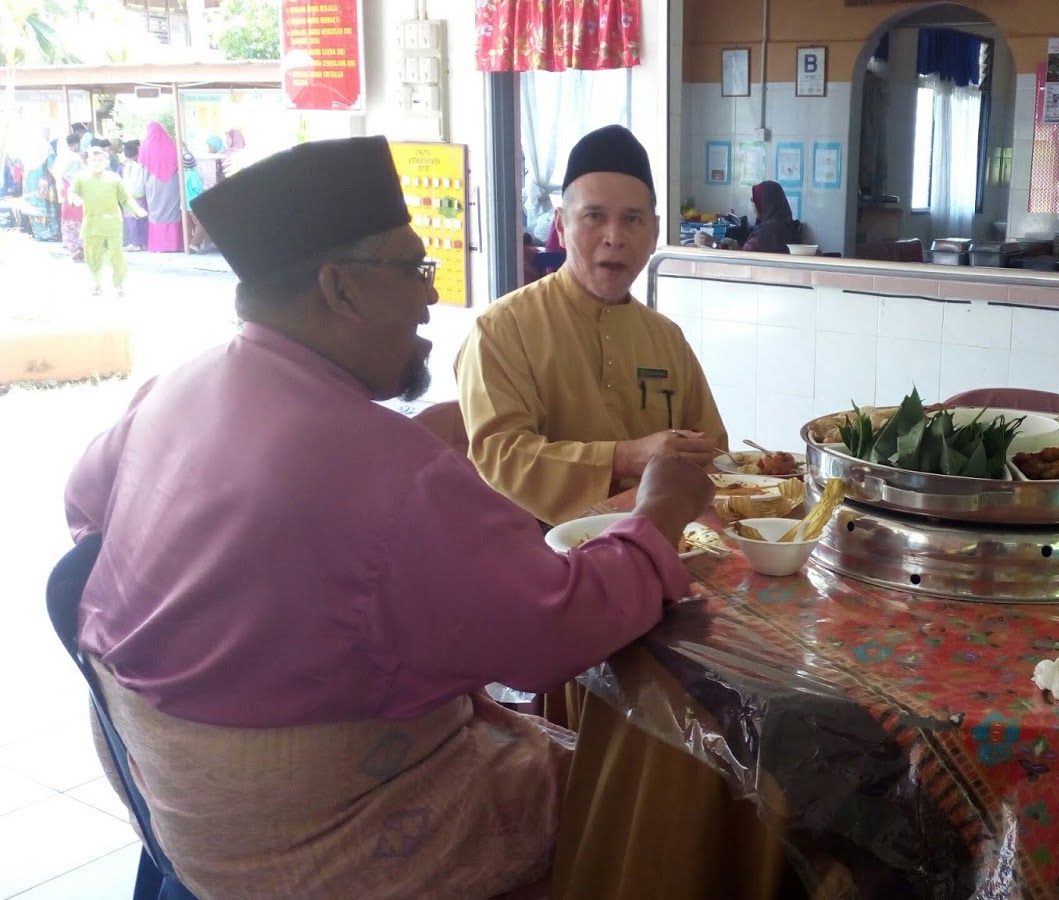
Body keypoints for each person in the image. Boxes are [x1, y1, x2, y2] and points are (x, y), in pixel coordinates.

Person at [64, 135, 714, 898]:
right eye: (414, 270)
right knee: (667, 806)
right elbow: (558, 631)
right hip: (323, 836)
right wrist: (658, 512)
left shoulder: (176, 387)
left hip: (170, 795)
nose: (430, 299)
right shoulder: (394, 465)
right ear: (341, 289)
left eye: (633, 220)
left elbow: (84, 516)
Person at [456, 124, 728, 525]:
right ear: (561, 225)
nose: (614, 237)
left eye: (632, 219)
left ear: (654, 232)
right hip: (540, 549)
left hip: (663, 544)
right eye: (594, 216)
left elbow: (714, 454)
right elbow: (502, 459)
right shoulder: (502, 330)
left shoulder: (666, 338)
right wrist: (624, 458)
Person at [68, 147, 145, 296]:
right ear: (87, 161)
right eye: (93, 160)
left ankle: (119, 284)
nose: (96, 163)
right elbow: (72, 192)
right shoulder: (80, 178)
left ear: (106, 162)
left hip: (112, 224)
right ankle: (96, 284)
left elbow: (125, 198)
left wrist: (136, 209)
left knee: (116, 255)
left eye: (100, 160)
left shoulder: (114, 178)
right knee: (92, 257)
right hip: (92, 225)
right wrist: (74, 199)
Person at [140, 122, 183, 253]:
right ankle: (174, 244)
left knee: (156, 212)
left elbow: (142, 166)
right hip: (171, 184)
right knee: (172, 210)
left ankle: (159, 245)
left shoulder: (145, 147)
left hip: (153, 185)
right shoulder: (171, 145)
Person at [742, 180, 803, 253]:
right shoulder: (787, 224)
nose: (753, 205)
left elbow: (747, 255)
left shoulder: (768, 229)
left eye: (754, 200)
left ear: (765, 202)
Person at [53, 133, 84, 260]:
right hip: (75, 189)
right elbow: (83, 174)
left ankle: (72, 247)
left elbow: (55, 172)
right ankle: (79, 247)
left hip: (64, 189)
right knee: (78, 218)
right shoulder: (75, 157)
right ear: (76, 144)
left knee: (68, 218)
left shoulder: (61, 156)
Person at [120, 140, 147, 250]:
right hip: (141, 196)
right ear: (137, 155)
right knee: (142, 219)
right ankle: (144, 243)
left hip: (128, 198)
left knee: (131, 220)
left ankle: (136, 243)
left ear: (125, 155)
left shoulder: (122, 167)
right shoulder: (141, 166)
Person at [181, 150, 209, 251]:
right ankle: (195, 243)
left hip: (183, 204)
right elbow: (197, 189)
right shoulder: (194, 175)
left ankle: (187, 245)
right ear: (194, 164)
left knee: (187, 226)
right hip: (193, 204)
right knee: (201, 224)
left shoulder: (181, 174)